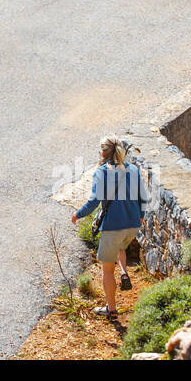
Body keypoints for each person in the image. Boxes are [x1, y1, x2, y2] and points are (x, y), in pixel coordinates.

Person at [71, 135, 148, 318]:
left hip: (113, 227)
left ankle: (111, 310)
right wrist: (142, 216)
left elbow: (94, 201)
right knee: (121, 246)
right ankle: (124, 273)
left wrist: (78, 214)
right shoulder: (134, 170)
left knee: (107, 270)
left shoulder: (102, 172)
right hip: (133, 225)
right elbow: (143, 197)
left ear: (104, 153)